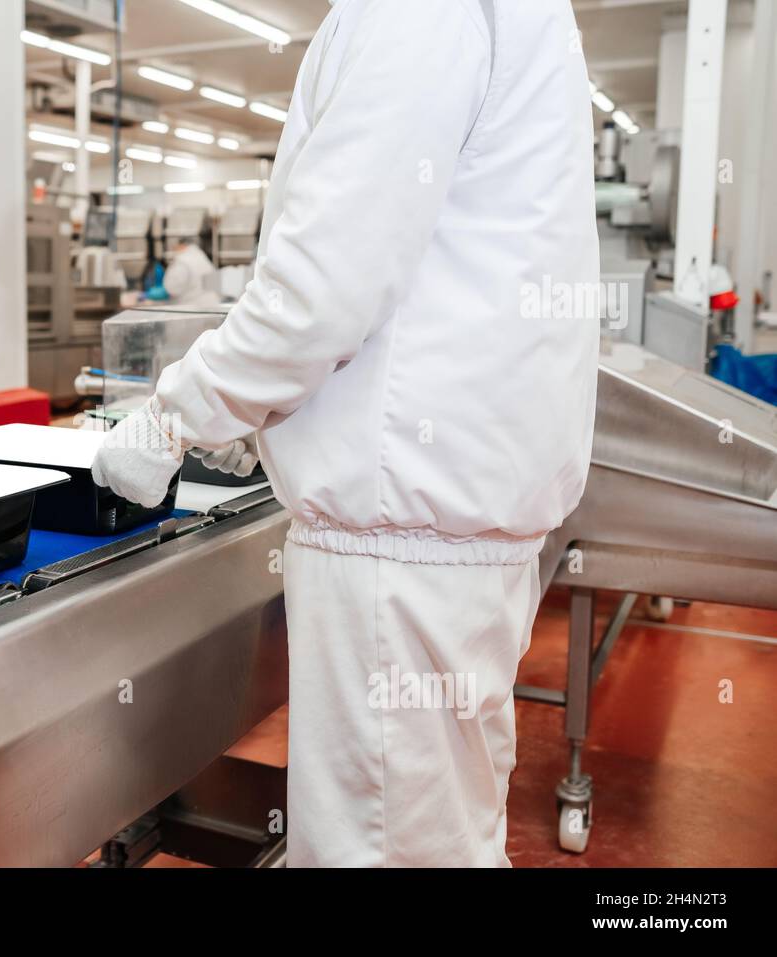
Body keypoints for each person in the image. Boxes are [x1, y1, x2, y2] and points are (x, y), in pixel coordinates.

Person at [91, 0, 600, 867]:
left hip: (398, 555)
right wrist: (263, 420)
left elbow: (323, 285)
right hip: (449, 538)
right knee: (440, 838)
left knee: (385, 847)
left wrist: (173, 420)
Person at [160, 238, 220, 307]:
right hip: (212, 305)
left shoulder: (182, 261)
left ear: (181, 245)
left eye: (174, 247)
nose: (174, 250)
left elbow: (172, 288)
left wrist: (162, 292)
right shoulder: (201, 257)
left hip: (192, 306)